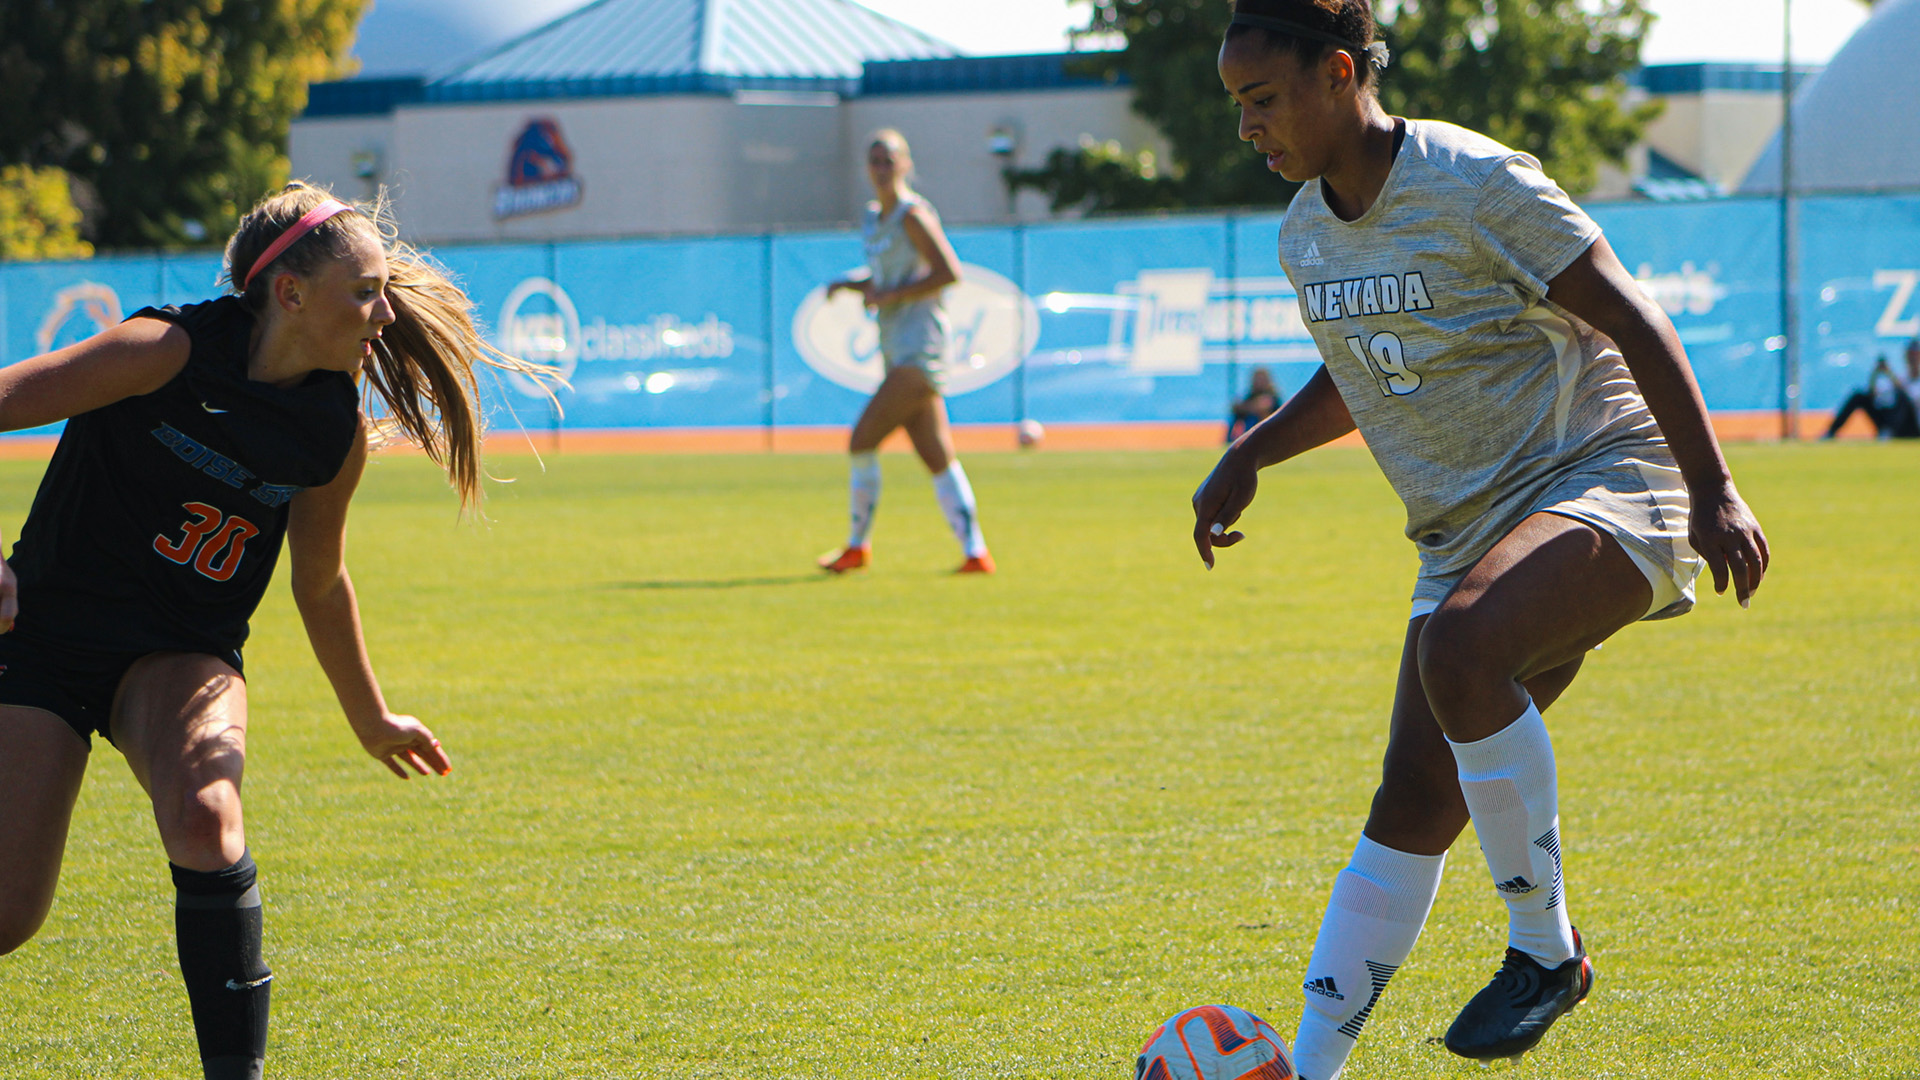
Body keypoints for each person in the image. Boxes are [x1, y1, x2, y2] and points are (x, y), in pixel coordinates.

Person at [1191, 2, 1769, 1077]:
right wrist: (1252, 453)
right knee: (1411, 801)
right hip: (1466, 534)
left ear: (1339, 71)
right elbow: (1365, 372)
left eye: (1262, 100)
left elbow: (1635, 315)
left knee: (1458, 650)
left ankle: (1546, 953)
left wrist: (1714, 487)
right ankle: (1309, 1072)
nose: (1247, 128)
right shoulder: (1305, 235)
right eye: (1238, 106)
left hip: (1609, 478)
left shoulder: (1474, 180)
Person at [0, 182, 551, 1080]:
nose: (385, 311)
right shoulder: (167, 349)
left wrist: (373, 719)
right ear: (289, 293)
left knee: (207, 813)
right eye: (365, 289)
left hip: (183, 652)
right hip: (46, 634)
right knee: (8, 916)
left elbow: (320, 583)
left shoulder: (330, 430)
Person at [817, 129, 994, 575]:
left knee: (861, 441)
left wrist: (888, 297)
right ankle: (976, 553)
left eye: (889, 159)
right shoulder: (874, 218)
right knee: (937, 456)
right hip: (897, 350)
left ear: (905, 164)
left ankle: (858, 546)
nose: (881, 168)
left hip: (921, 350)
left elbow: (948, 271)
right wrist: (850, 284)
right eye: (874, 160)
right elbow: (884, 278)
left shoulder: (912, 215)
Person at [1821, 352, 1919, 438]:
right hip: (1891, 421)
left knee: (1902, 397)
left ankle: (1889, 431)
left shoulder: (1900, 381)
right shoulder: (1902, 378)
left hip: (1913, 427)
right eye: (1911, 356)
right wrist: (1876, 374)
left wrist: (1891, 375)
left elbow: (1910, 399)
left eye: (1915, 356)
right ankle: (1830, 432)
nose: (1913, 360)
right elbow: (1874, 394)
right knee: (1859, 396)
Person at [1228, 366, 1285, 442]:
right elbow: (1237, 407)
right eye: (1257, 379)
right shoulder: (1251, 395)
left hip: (1270, 426)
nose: (1259, 381)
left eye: (1261, 379)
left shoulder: (1273, 395)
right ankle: (1230, 440)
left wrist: (1250, 407)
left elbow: (1265, 405)